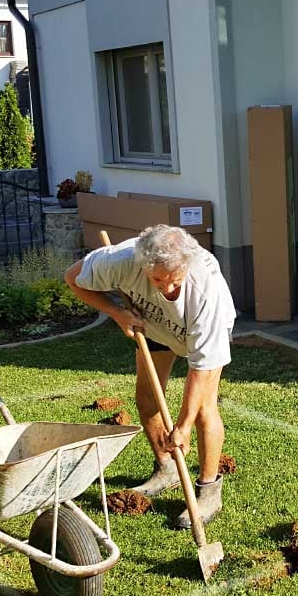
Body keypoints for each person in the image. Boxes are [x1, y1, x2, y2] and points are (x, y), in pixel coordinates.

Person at [63, 224, 237, 528]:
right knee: (146, 400)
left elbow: (199, 369)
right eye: (158, 280)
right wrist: (116, 313)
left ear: (186, 267)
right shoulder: (118, 260)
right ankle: (166, 468)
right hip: (155, 324)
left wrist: (182, 427)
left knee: (203, 410)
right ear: (142, 265)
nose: (168, 289)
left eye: (175, 282)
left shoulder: (205, 290)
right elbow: (73, 279)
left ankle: (208, 491)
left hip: (200, 331)